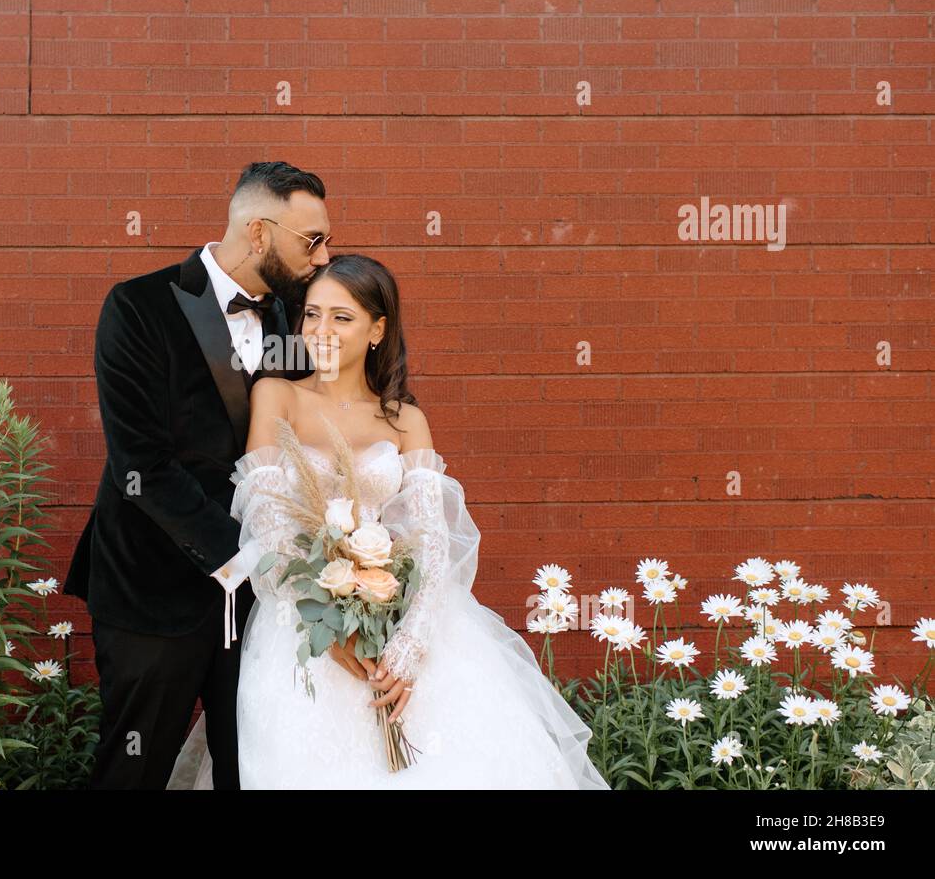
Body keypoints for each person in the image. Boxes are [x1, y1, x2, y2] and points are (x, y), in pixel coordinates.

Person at [167, 254, 610, 789]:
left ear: (377, 329)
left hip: (399, 621)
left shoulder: (405, 419)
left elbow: (430, 538)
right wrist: (322, 621)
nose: (320, 330)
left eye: (341, 317)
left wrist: (410, 645)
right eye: (311, 314)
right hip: (301, 629)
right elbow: (267, 519)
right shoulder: (276, 395)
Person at [64, 161, 332, 788]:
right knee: (135, 769)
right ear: (259, 233)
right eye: (311, 239)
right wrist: (256, 562)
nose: (324, 258)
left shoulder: (296, 321)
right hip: (153, 590)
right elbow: (145, 468)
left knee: (253, 768)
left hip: (264, 608)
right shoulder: (137, 307)